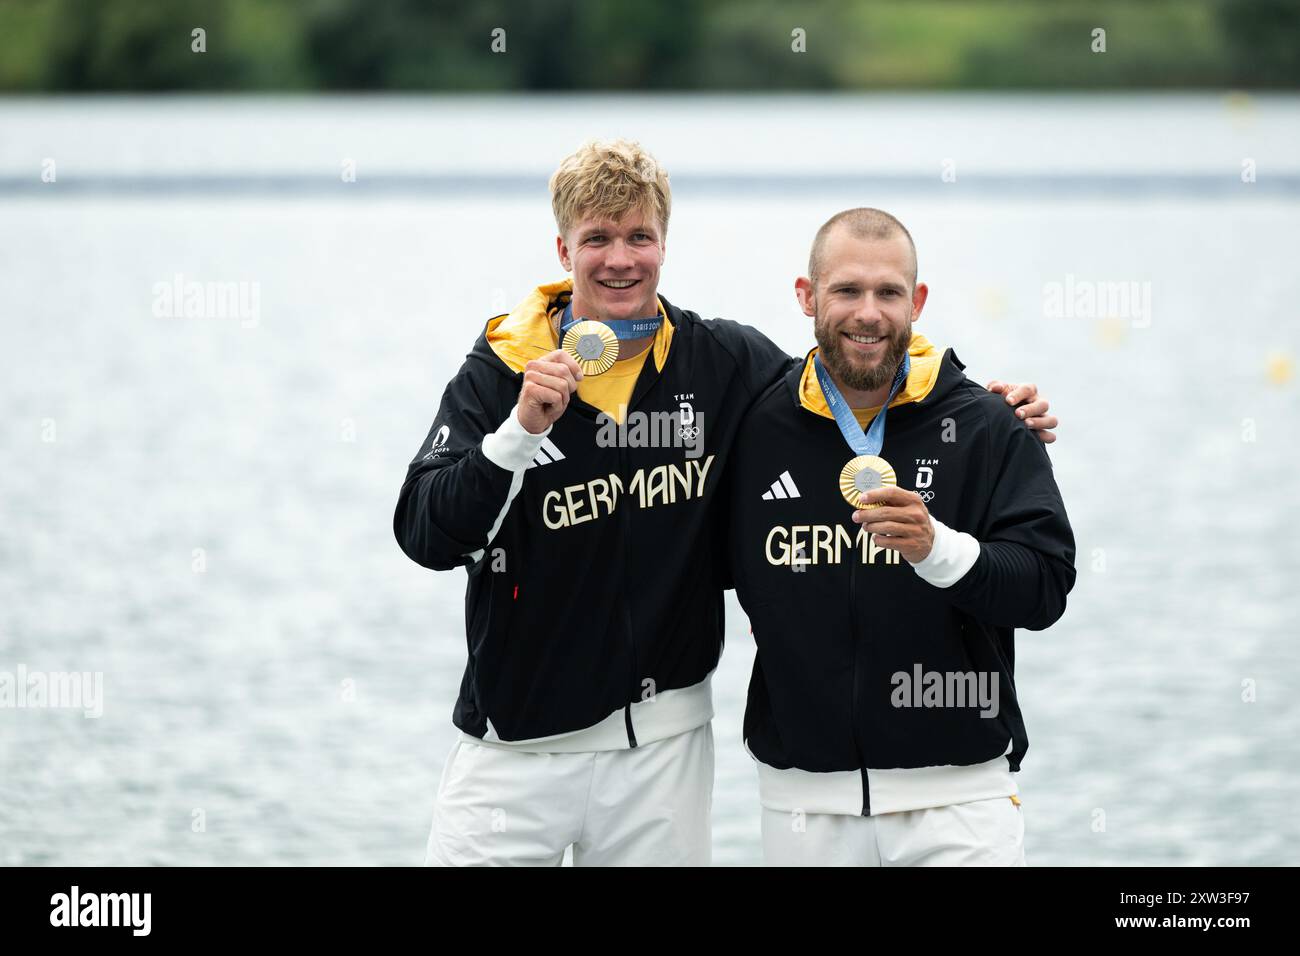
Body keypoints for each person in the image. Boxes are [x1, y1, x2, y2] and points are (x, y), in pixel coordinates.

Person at [393, 140, 1057, 866]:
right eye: (598, 239)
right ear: (563, 249)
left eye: (639, 236)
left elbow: (847, 375)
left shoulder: (723, 363)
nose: (621, 259)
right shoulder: (500, 370)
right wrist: (516, 434)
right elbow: (426, 533)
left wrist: (984, 410)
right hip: (511, 751)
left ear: (664, 245)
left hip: (664, 753)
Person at [723, 208, 1076, 866]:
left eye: (888, 292)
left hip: (959, 800)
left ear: (915, 302)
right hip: (803, 803)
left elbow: (1046, 587)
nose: (868, 313)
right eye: (846, 291)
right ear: (806, 297)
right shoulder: (753, 426)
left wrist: (935, 550)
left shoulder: (985, 425)